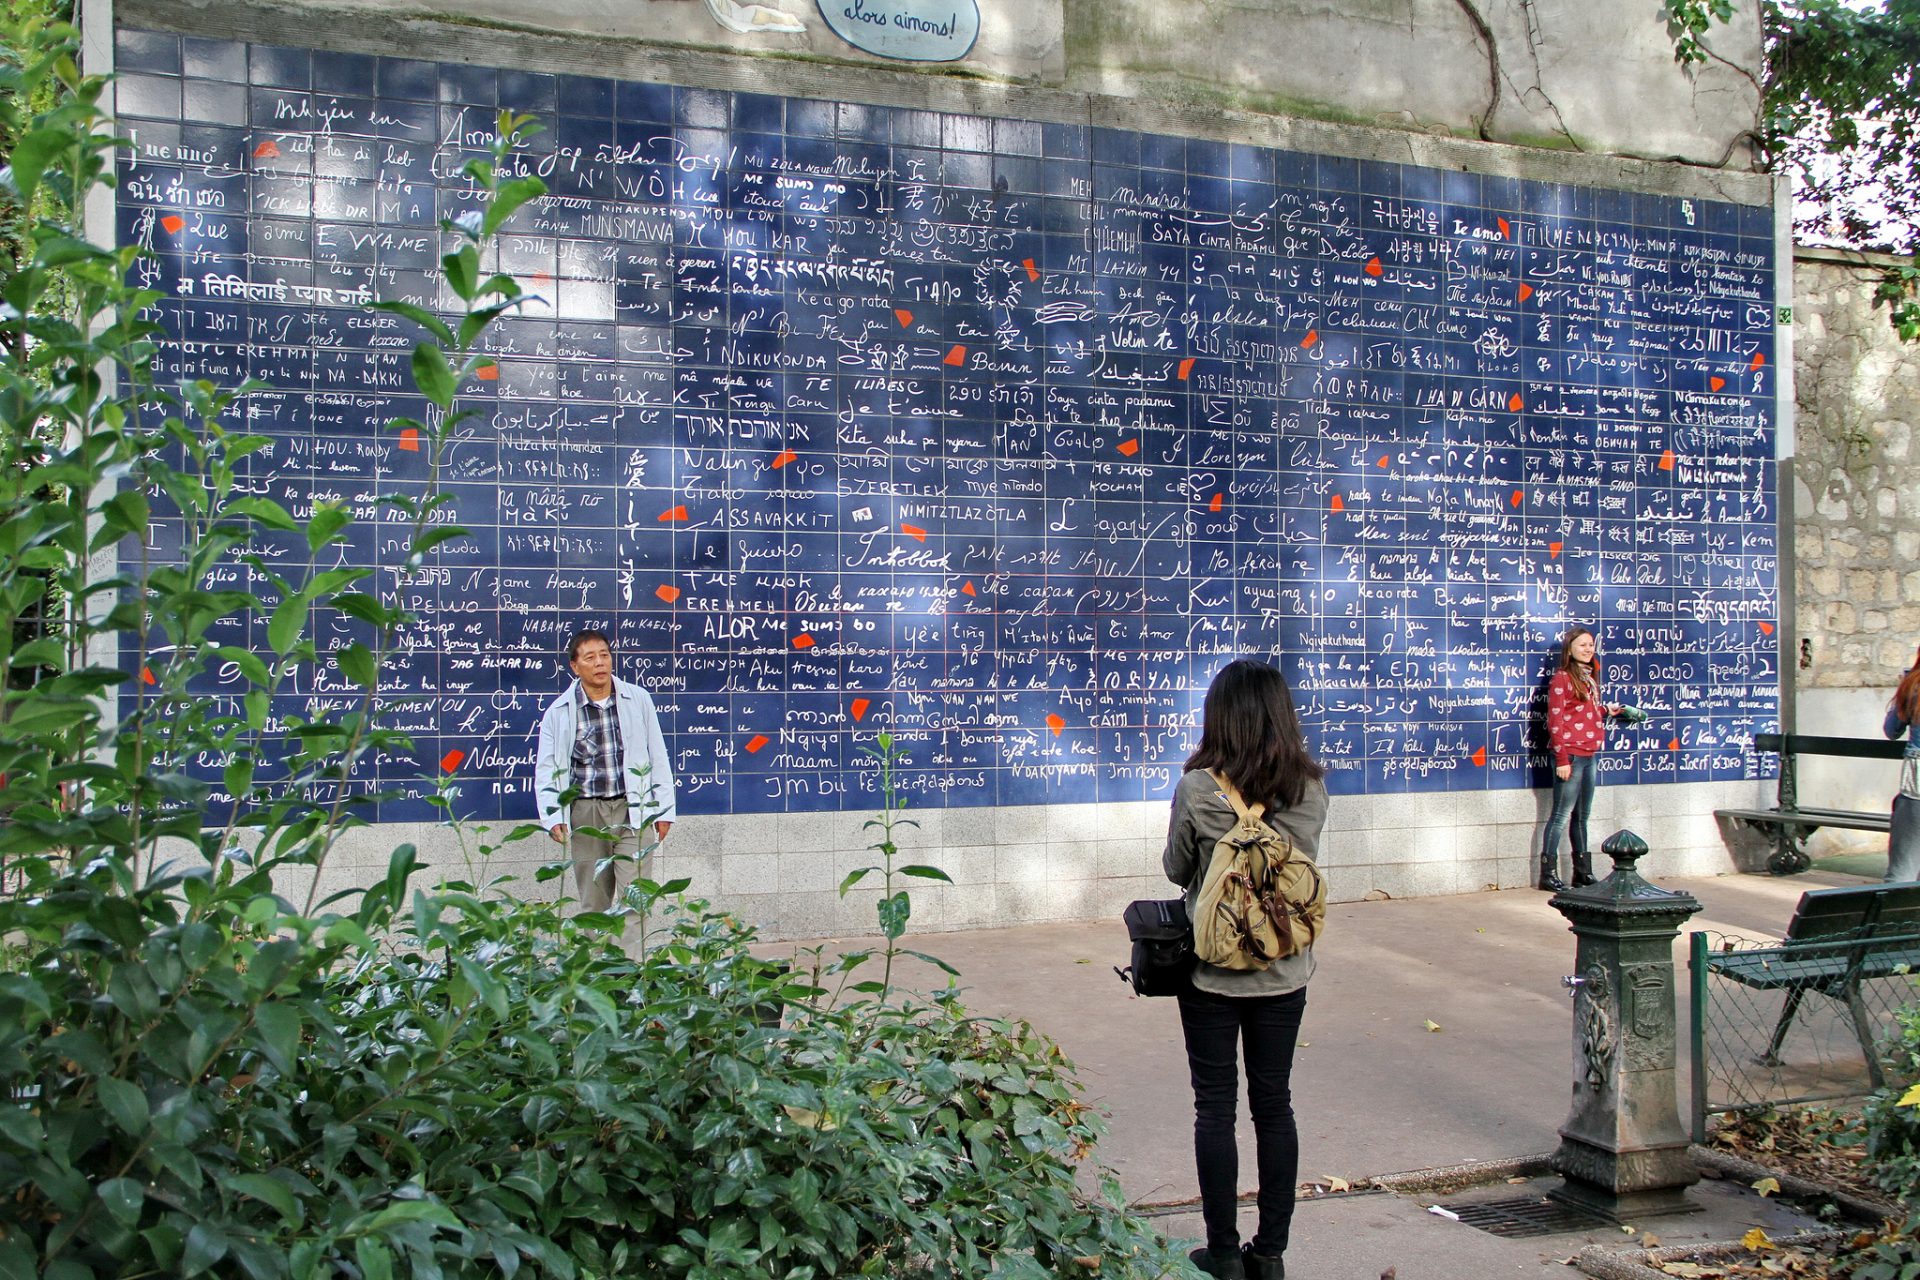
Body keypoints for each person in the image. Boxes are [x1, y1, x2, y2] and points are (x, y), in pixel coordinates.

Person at [1162, 658, 1329, 1280]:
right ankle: (1273, 1255)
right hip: (1286, 970)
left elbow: (1178, 870)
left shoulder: (1198, 788)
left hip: (1211, 972)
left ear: (1219, 719)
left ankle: (1225, 1254)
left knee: (1215, 1108)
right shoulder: (1310, 788)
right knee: (1275, 1105)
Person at [534, 628, 676, 910]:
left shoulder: (638, 699)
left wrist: (664, 810)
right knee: (594, 901)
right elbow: (548, 768)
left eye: (604, 655)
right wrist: (552, 816)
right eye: (590, 657)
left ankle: (632, 957)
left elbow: (658, 756)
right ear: (574, 666)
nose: (600, 663)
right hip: (587, 813)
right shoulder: (558, 712)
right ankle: (598, 955)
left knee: (635, 899)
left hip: (632, 809)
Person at [1538, 625, 1618, 893]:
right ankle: (1548, 874)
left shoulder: (1589, 678)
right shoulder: (1562, 678)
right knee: (1561, 815)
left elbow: (1585, 710)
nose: (1588, 649)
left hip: (1588, 754)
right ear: (1570, 649)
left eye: (1591, 644)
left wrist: (1607, 710)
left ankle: (1582, 872)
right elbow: (1556, 719)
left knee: (1582, 816)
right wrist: (1561, 758)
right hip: (1570, 754)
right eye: (1582, 645)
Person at [1883, 645, 1920, 883]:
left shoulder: (1913, 684)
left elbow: (1891, 730)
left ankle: (1891, 918)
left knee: (1904, 866)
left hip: (1917, 782)